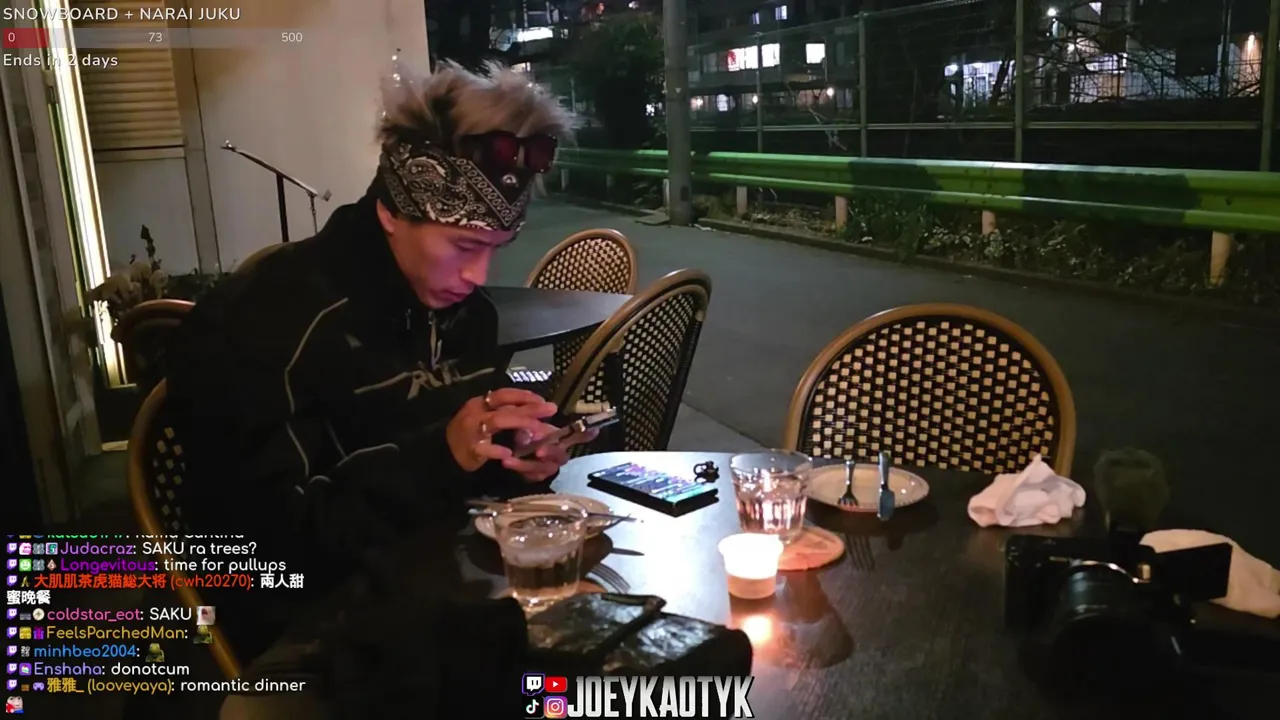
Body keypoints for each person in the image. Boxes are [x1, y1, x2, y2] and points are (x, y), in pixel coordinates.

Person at [165, 59, 593, 667]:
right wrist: (443, 453)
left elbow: (459, 485)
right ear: (391, 212)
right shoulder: (263, 322)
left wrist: (514, 459)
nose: (478, 276)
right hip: (302, 642)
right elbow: (268, 546)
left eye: (496, 250)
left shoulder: (466, 314)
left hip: (439, 604)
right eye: (464, 246)